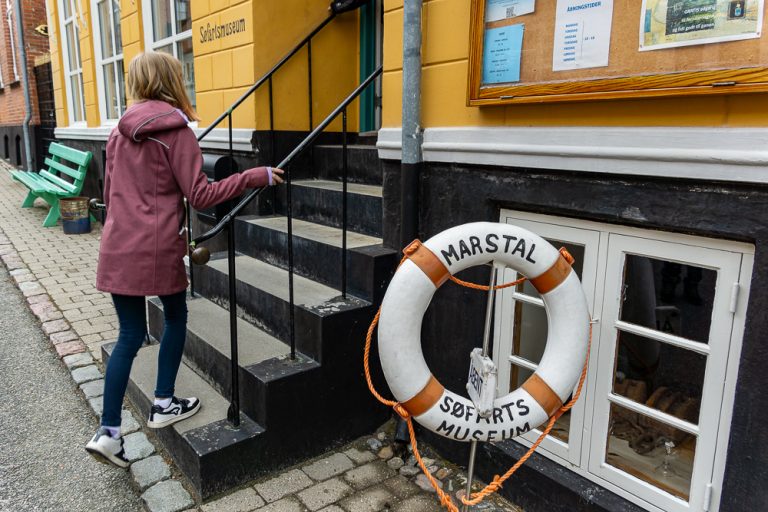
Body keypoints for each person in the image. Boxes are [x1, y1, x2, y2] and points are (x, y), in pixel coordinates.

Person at [85, 52, 284, 468]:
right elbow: (202, 195)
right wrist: (255, 175)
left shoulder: (118, 133)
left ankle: (108, 432)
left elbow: (109, 194)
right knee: (175, 317)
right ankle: (163, 401)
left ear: (138, 82)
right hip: (157, 246)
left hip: (118, 243)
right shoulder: (177, 132)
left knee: (128, 335)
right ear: (172, 80)